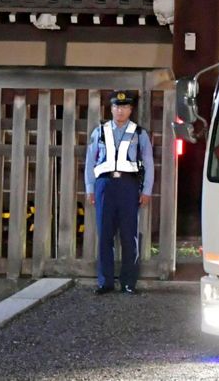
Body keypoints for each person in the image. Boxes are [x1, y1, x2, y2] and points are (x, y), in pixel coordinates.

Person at [85, 90, 155, 295]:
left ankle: (128, 283)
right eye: (116, 107)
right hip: (104, 185)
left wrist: (147, 190)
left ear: (130, 109)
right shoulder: (99, 131)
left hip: (128, 185)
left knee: (128, 235)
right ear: (111, 109)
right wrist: (90, 188)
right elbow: (90, 161)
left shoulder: (139, 133)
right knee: (105, 234)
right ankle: (105, 282)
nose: (120, 111)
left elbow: (149, 163)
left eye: (124, 107)